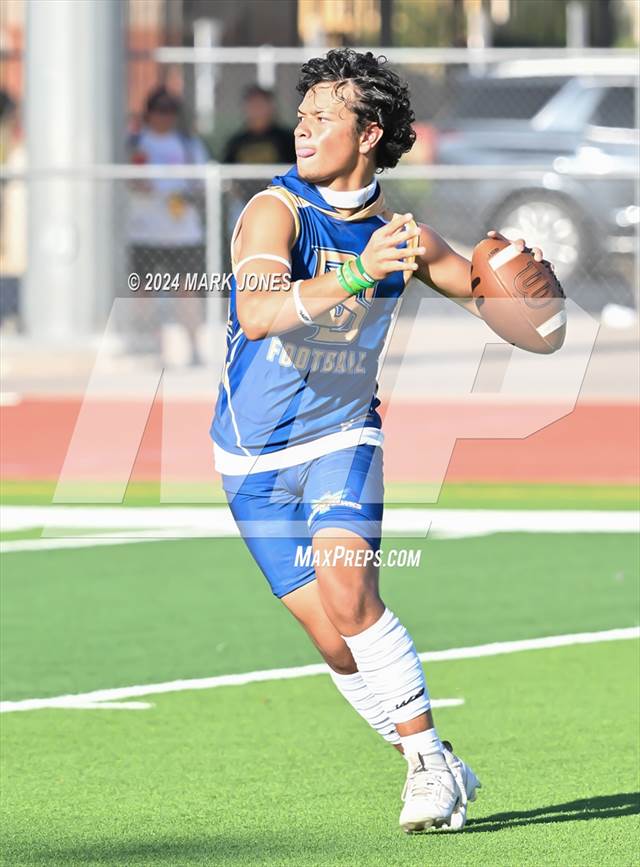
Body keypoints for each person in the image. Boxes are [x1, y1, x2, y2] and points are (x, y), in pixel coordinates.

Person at [210, 49, 550, 833]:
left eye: (323, 117)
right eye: (301, 117)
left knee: (351, 596)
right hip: (250, 457)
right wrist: (358, 274)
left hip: (342, 436)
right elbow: (260, 313)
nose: (303, 129)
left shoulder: (408, 236)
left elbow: (523, 329)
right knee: (335, 642)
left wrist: (534, 296)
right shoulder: (275, 213)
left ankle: (429, 768)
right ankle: (436, 760)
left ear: (369, 133)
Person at [127, 86, 209, 364]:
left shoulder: (188, 144)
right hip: (144, 231)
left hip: (183, 233)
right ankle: (151, 347)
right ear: (148, 113)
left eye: (170, 110)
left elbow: (201, 182)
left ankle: (194, 348)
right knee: (143, 292)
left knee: (187, 291)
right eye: (159, 110)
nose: (164, 116)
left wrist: (182, 195)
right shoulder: (135, 143)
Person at [222, 85, 296, 165]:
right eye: (253, 106)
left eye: (260, 105)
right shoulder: (236, 143)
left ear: (271, 108)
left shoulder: (287, 139)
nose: (257, 112)